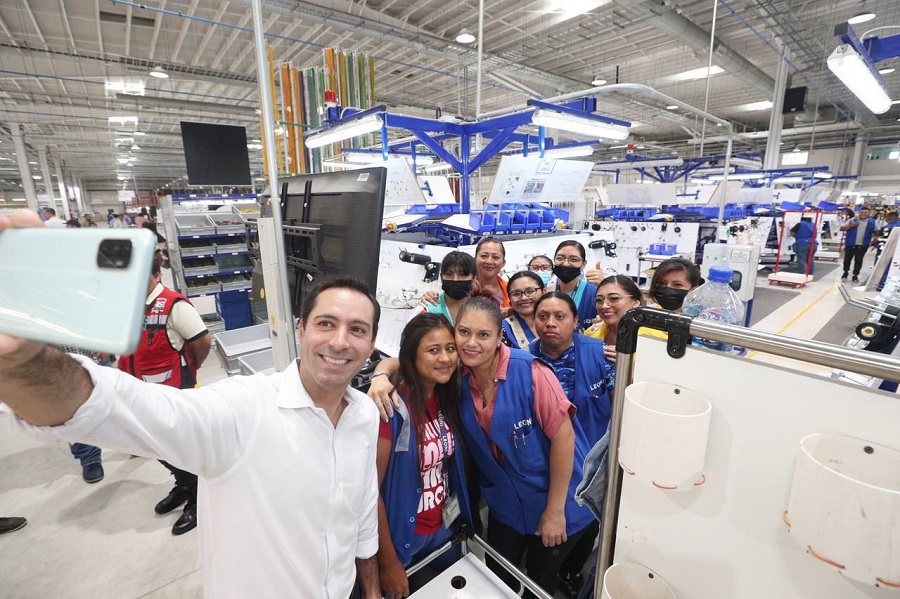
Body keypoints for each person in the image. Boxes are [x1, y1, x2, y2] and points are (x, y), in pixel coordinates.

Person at [0, 213, 382, 598]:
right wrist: (24, 366)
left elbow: (362, 510)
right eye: (326, 323)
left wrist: (371, 587)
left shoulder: (363, 415)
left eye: (357, 329)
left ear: (370, 345)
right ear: (301, 329)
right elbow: (123, 408)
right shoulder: (242, 411)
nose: (339, 342)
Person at [369, 297, 594, 596]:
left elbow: (564, 438)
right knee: (497, 581)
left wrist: (555, 511)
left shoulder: (529, 372)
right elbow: (413, 352)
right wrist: (380, 374)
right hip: (505, 507)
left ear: (500, 336)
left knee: (538, 582)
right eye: (463, 333)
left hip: (556, 502)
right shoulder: (455, 375)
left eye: (483, 335)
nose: (470, 343)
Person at [116, 251, 212, 535]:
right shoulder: (130, 304)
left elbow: (202, 341)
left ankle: (197, 495)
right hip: (138, 391)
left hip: (172, 392)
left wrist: (190, 371)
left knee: (179, 446)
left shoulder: (174, 305)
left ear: (156, 275)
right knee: (154, 446)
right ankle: (183, 484)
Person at [375, 314, 470, 597]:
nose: (445, 358)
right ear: (411, 358)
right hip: (404, 538)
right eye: (433, 350)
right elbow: (369, 492)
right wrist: (388, 562)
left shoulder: (445, 394)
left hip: (443, 527)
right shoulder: (390, 409)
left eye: (450, 348)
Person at [528, 291, 615, 598]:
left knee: (588, 529)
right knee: (551, 546)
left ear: (576, 321)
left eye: (560, 316)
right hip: (554, 470)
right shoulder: (527, 360)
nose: (550, 323)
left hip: (596, 468)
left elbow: (621, 405)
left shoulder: (600, 354)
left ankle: (572, 573)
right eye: (543, 316)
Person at [584, 275, 645, 363]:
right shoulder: (591, 334)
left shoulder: (653, 339)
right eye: (599, 300)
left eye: (614, 298)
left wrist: (630, 362)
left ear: (635, 302)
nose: (604, 306)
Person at [547, 240, 598, 330]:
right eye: (560, 258)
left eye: (573, 259)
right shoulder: (545, 291)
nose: (566, 264)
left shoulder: (594, 292)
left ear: (583, 264)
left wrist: (605, 285)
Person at [422, 251, 477, 326]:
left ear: (473, 279)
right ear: (441, 278)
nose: (455, 279)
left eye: (462, 274)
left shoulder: (483, 310)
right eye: (449, 274)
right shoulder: (427, 309)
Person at [501, 271, 545, 349]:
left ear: (543, 292)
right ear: (510, 299)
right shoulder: (502, 329)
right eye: (516, 294)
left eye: (530, 291)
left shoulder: (558, 320)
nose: (524, 298)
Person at [841, 206, 877, 282]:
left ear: (869, 213)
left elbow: (877, 231)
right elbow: (842, 228)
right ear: (858, 213)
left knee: (859, 260)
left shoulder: (872, 222)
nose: (863, 214)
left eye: (865, 212)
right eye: (861, 212)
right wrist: (851, 225)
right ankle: (845, 272)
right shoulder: (852, 220)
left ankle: (855, 275)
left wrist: (873, 241)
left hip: (863, 245)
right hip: (850, 244)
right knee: (847, 259)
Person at [473, 237, 510, 308]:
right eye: (484, 256)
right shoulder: (464, 287)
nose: (489, 261)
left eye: (495, 257)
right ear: (475, 259)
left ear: (503, 263)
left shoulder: (510, 289)